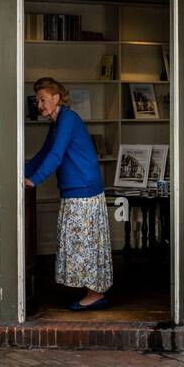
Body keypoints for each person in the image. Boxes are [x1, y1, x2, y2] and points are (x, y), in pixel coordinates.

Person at [24, 77, 113, 311]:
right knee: (79, 243)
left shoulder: (68, 119)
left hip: (84, 190)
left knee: (86, 244)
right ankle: (92, 291)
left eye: (43, 99)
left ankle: (96, 294)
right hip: (74, 190)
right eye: (37, 100)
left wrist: (34, 180)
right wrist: (19, 173)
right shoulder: (56, 123)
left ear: (56, 98)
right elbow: (43, 154)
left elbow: (56, 155)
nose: (39, 104)